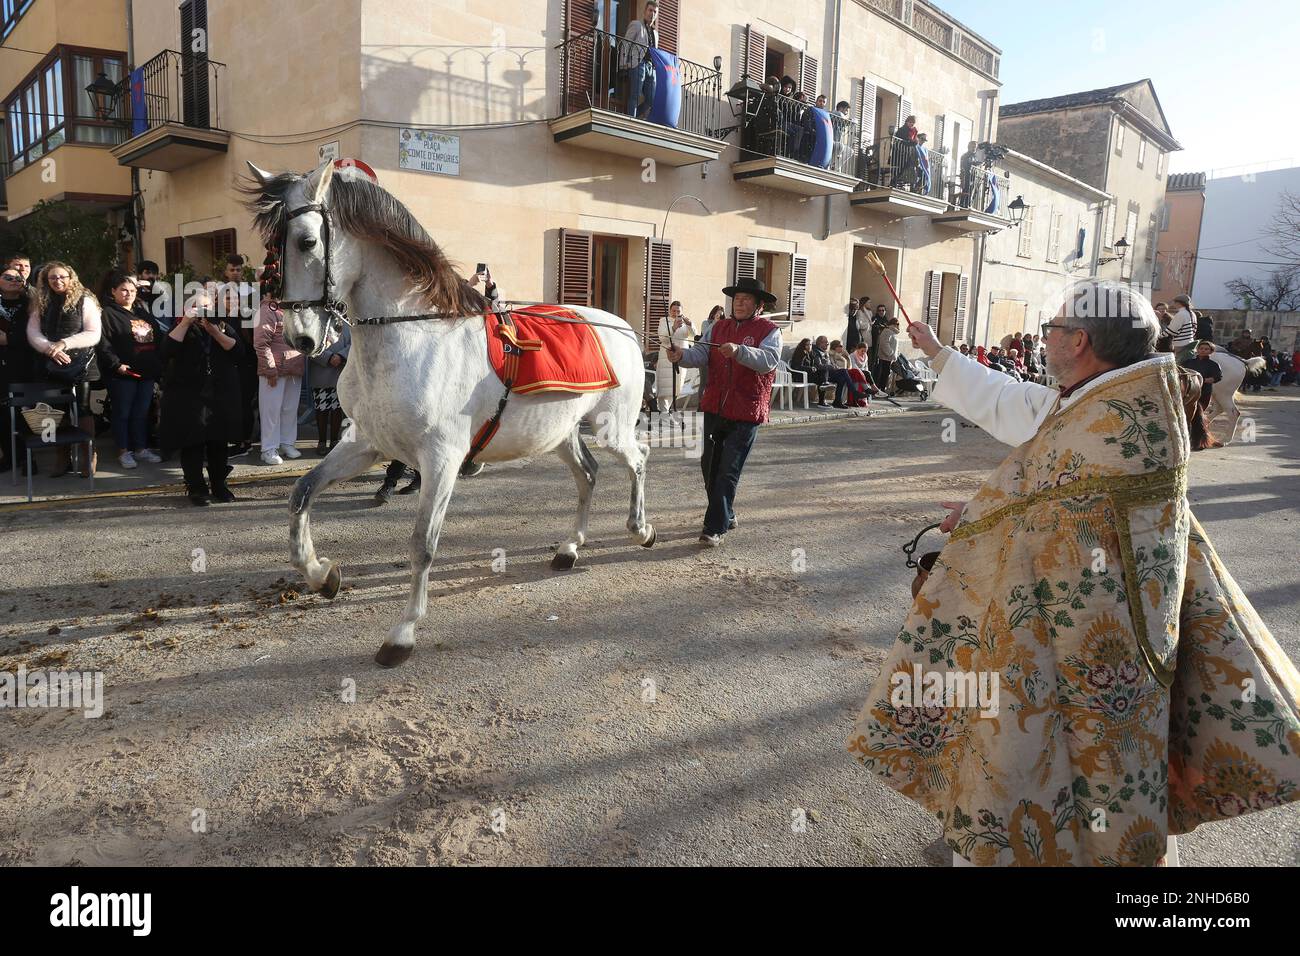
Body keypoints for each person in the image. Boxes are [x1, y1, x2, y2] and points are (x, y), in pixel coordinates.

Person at [848, 279, 1300, 866]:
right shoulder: (1111, 399)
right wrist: (939, 354)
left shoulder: (1109, 421)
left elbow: (1048, 501)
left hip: (1080, 647)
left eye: (1053, 328)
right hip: (1095, 637)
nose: (1046, 338)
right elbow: (1026, 418)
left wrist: (978, 512)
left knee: (1059, 763)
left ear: (1080, 340)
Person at [666, 277, 781, 547]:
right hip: (714, 406)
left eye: (746, 300)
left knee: (728, 470)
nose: (739, 303)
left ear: (759, 305)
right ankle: (726, 514)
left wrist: (740, 351)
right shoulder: (718, 328)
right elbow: (701, 355)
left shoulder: (769, 331)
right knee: (709, 467)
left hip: (746, 410)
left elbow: (768, 361)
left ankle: (714, 527)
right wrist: (680, 356)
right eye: (736, 299)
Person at [159, 290, 243, 505]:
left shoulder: (221, 326)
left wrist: (214, 332)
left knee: (218, 441)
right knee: (192, 443)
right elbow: (167, 350)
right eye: (198, 306)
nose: (203, 311)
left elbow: (239, 353)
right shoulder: (181, 328)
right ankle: (196, 487)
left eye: (207, 306)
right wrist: (187, 322)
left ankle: (219, 485)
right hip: (189, 396)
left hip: (218, 395)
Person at [26, 262, 102, 478]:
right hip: (51, 363)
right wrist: (51, 349)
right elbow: (32, 332)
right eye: (52, 278)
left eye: (62, 277)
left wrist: (63, 344)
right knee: (55, 411)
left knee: (83, 409)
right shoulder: (41, 300)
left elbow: (93, 333)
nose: (57, 281)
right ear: (46, 280)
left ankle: (89, 454)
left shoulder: (85, 299)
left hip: (80, 364)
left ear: (71, 277)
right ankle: (63, 456)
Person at [96, 270, 164, 470]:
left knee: (141, 413)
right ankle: (123, 451)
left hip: (146, 371)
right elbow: (103, 343)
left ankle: (141, 448)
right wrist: (116, 364)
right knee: (122, 413)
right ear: (113, 292)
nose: (128, 294)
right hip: (122, 373)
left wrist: (158, 362)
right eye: (123, 290)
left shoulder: (142, 312)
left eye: (132, 290)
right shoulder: (107, 314)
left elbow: (157, 337)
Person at [253, 296, 305, 465]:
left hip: (293, 365)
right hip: (275, 368)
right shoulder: (267, 310)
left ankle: (287, 443)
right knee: (271, 411)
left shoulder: (293, 308)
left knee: (290, 408)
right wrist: (270, 370)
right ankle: (268, 449)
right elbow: (261, 343)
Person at [0, 264, 35, 473]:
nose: (14, 281)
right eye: (8, 277)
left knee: (25, 411)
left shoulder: (31, 304)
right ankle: (10, 457)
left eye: (18, 279)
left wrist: (9, 339)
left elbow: (33, 335)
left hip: (25, 363)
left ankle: (28, 458)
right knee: (3, 413)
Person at [311, 319, 350, 456]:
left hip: (341, 372)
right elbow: (310, 346)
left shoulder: (346, 323)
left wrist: (340, 356)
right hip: (321, 371)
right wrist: (328, 357)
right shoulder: (317, 323)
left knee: (337, 409)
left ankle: (335, 441)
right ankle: (321, 441)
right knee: (321, 409)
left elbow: (353, 344)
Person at [619, 1, 658, 120]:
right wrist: (623, 65)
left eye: (655, 12)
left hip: (650, 67)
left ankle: (632, 116)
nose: (652, 13)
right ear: (645, 11)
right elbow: (626, 44)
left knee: (651, 100)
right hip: (637, 63)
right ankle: (631, 120)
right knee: (635, 95)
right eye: (650, 10)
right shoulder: (636, 25)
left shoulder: (656, 34)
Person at [656, 300, 694, 413]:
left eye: (678, 311)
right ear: (669, 311)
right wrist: (673, 328)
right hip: (666, 359)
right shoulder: (664, 321)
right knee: (665, 388)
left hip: (681, 357)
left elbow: (693, 336)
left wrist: (690, 325)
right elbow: (662, 338)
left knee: (677, 388)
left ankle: (668, 412)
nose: (675, 313)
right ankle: (664, 412)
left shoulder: (685, 322)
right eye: (673, 310)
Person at [789, 337, 831, 406]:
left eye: (810, 344)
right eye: (807, 345)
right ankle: (822, 397)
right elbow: (797, 367)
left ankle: (824, 386)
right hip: (799, 376)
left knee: (823, 371)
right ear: (803, 346)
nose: (809, 346)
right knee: (821, 380)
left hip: (807, 375)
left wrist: (814, 368)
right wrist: (810, 368)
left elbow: (812, 365)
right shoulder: (801, 353)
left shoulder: (810, 353)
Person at [1167, 294, 1197, 362]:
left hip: (1180, 344)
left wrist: (1160, 336)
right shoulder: (1192, 313)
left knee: (1179, 364)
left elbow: (1172, 330)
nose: (1174, 304)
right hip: (1190, 342)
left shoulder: (1181, 314)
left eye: (1175, 302)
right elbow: (1194, 329)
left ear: (1178, 303)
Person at [875, 317, 899, 390]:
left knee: (886, 373)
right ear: (893, 324)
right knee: (884, 374)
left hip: (889, 357)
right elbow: (884, 343)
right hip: (885, 357)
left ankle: (883, 388)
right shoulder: (887, 331)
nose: (898, 326)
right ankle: (880, 389)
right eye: (897, 324)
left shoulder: (892, 332)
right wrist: (891, 353)